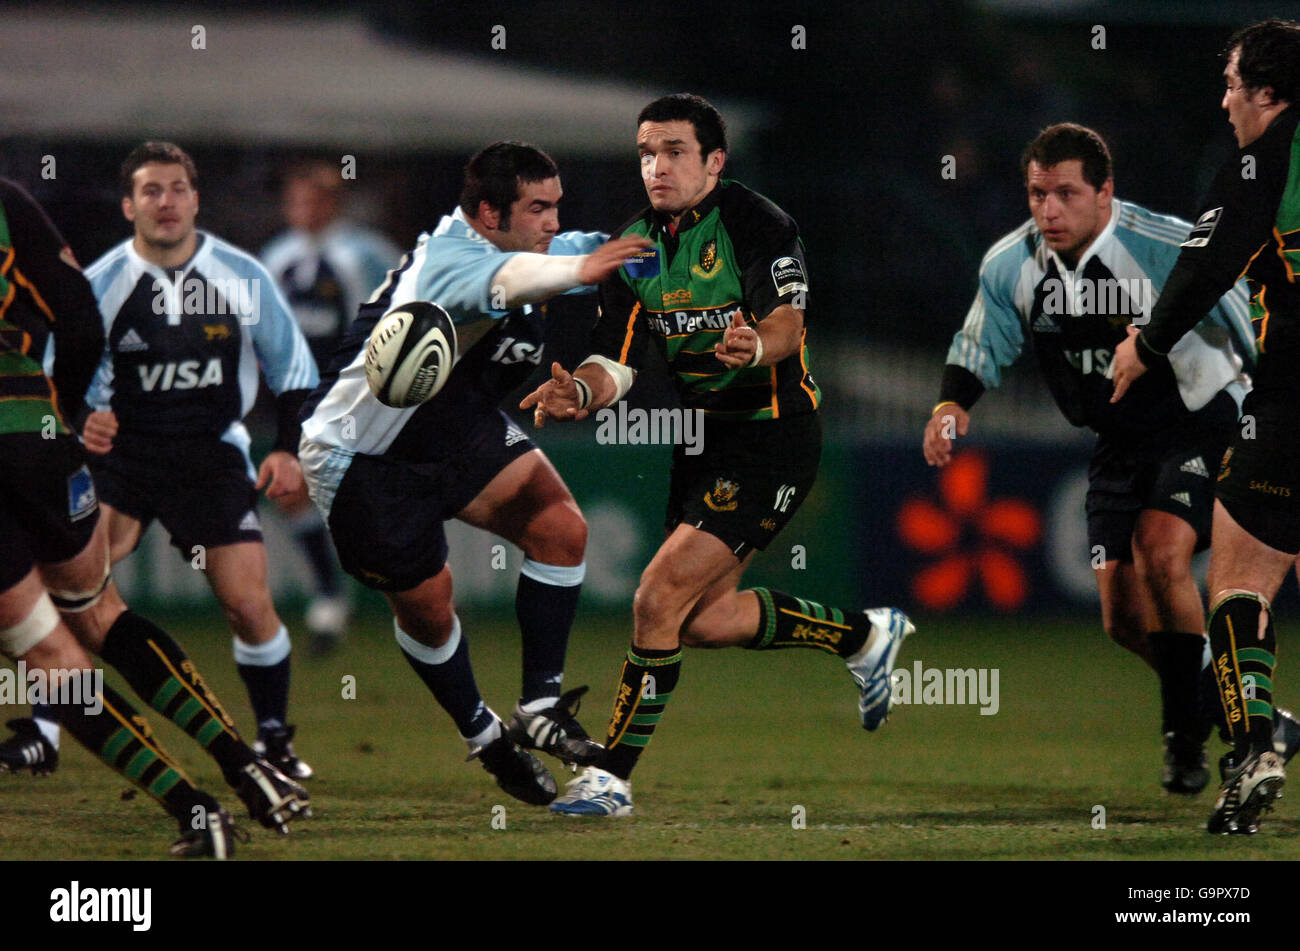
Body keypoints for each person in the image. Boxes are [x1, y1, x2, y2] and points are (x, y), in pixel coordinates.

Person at [523, 93, 914, 818]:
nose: (656, 165)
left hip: (774, 437)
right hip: (704, 443)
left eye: (673, 150)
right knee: (703, 619)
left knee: (654, 597)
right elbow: (622, 361)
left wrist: (754, 342)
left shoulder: (757, 223)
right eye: (646, 151)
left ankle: (610, 776)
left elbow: (789, 323)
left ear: (714, 161)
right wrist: (581, 389)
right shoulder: (635, 246)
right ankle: (865, 635)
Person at [922, 122, 1300, 797]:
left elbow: (1244, 310)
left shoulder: (1160, 245)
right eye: (1038, 194)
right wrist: (951, 405)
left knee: (1161, 549)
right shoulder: (1012, 264)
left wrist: (1269, 413)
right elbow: (982, 339)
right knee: (1124, 616)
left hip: (1202, 422)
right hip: (1119, 444)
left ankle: (1189, 737)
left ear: (1105, 193)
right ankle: (1250, 713)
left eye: (1066, 193)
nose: (1049, 210)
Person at [298, 141, 651, 805]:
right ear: (489, 213)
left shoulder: (539, 246)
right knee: (431, 608)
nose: (551, 222)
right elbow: (508, 282)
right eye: (537, 208)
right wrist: (582, 264)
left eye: (556, 208)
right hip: (362, 456)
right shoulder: (449, 261)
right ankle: (484, 733)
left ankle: (540, 705)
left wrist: (680, 242)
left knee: (561, 529)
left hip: (452, 420)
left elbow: (604, 251)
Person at [0, 176, 308, 857]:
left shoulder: (232, 275)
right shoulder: (8, 198)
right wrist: (65, 412)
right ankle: (244, 759)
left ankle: (195, 810)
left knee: (49, 655)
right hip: (35, 431)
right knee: (99, 612)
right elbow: (79, 315)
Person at [1111, 19, 1300, 833]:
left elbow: (1205, 263)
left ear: (1268, 92)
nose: (1224, 101)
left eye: (1232, 84)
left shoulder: (1267, 158)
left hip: (1294, 396)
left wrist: (1144, 345)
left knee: (1237, 582)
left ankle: (1255, 746)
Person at [261, 161, 402, 654]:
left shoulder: (366, 253)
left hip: (357, 398)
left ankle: (420, 590)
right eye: (295, 199)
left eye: (313, 199)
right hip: (301, 399)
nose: (302, 208)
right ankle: (328, 598)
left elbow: (400, 320)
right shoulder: (277, 257)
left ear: (332, 203)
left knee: (371, 502)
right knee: (290, 492)